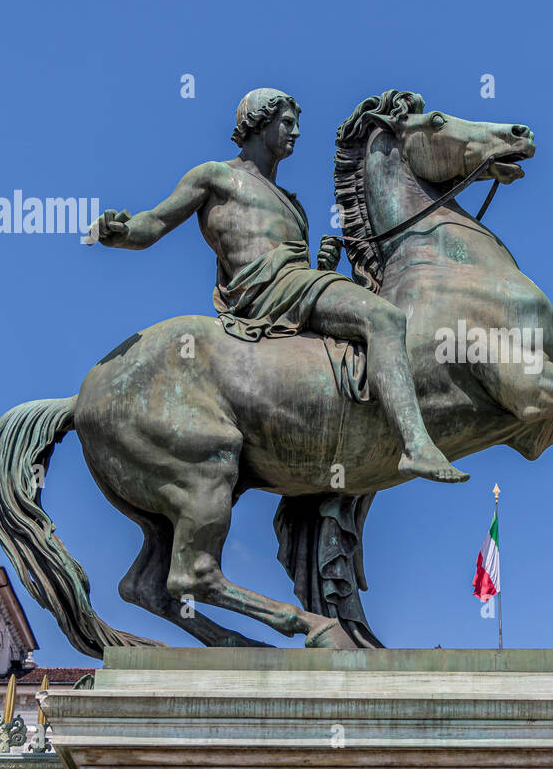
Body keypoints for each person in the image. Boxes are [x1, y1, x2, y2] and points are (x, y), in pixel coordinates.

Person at [87, 88, 467, 484]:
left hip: (297, 284)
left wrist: (322, 266)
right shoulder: (216, 176)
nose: (297, 132)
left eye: (296, 123)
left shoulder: (292, 202)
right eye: (287, 123)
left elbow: (291, 257)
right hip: (268, 290)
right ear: (258, 123)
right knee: (385, 317)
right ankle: (416, 446)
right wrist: (122, 231)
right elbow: (155, 222)